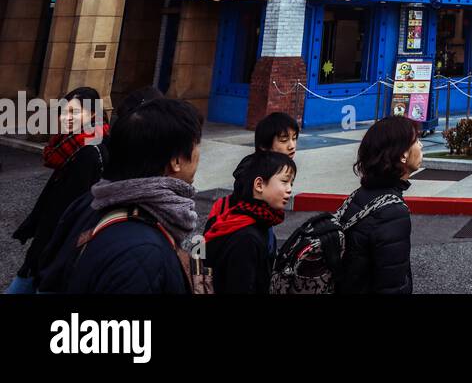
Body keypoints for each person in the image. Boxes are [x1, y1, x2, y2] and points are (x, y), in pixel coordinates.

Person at [66, 98, 205, 294]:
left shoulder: (98, 204)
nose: (200, 154)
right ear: (176, 160)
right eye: (197, 145)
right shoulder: (143, 251)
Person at [8, 87, 107, 294]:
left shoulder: (87, 152)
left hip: (56, 249)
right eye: (63, 111)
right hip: (52, 246)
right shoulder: (73, 144)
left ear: (93, 115)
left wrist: (43, 252)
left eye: (74, 112)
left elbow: (68, 210)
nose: (66, 118)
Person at [336, 116, 418, 293]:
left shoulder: (358, 196)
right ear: (403, 155)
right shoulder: (393, 211)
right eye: (416, 141)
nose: (421, 146)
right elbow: (392, 285)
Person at [203, 150, 296, 294]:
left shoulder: (254, 221)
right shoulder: (247, 238)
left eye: (291, 183)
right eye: (284, 181)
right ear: (259, 185)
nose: (289, 189)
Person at [206, 110, 300, 236]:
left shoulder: (266, 214)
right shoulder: (249, 227)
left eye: (294, 139)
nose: (292, 146)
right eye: (284, 140)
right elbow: (200, 244)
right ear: (259, 185)